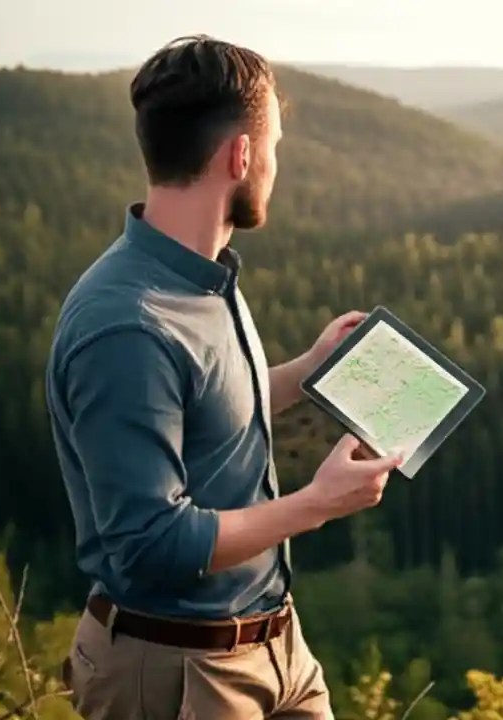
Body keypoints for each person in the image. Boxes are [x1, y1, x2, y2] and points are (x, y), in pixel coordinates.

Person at [44, 35, 400, 719]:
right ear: (241, 155)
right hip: (177, 674)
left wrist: (304, 371)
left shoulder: (202, 277)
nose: (274, 165)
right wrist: (317, 503)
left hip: (276, 651)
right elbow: (150, 543)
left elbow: (201, 412)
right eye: (274, 147)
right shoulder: (126, 325)